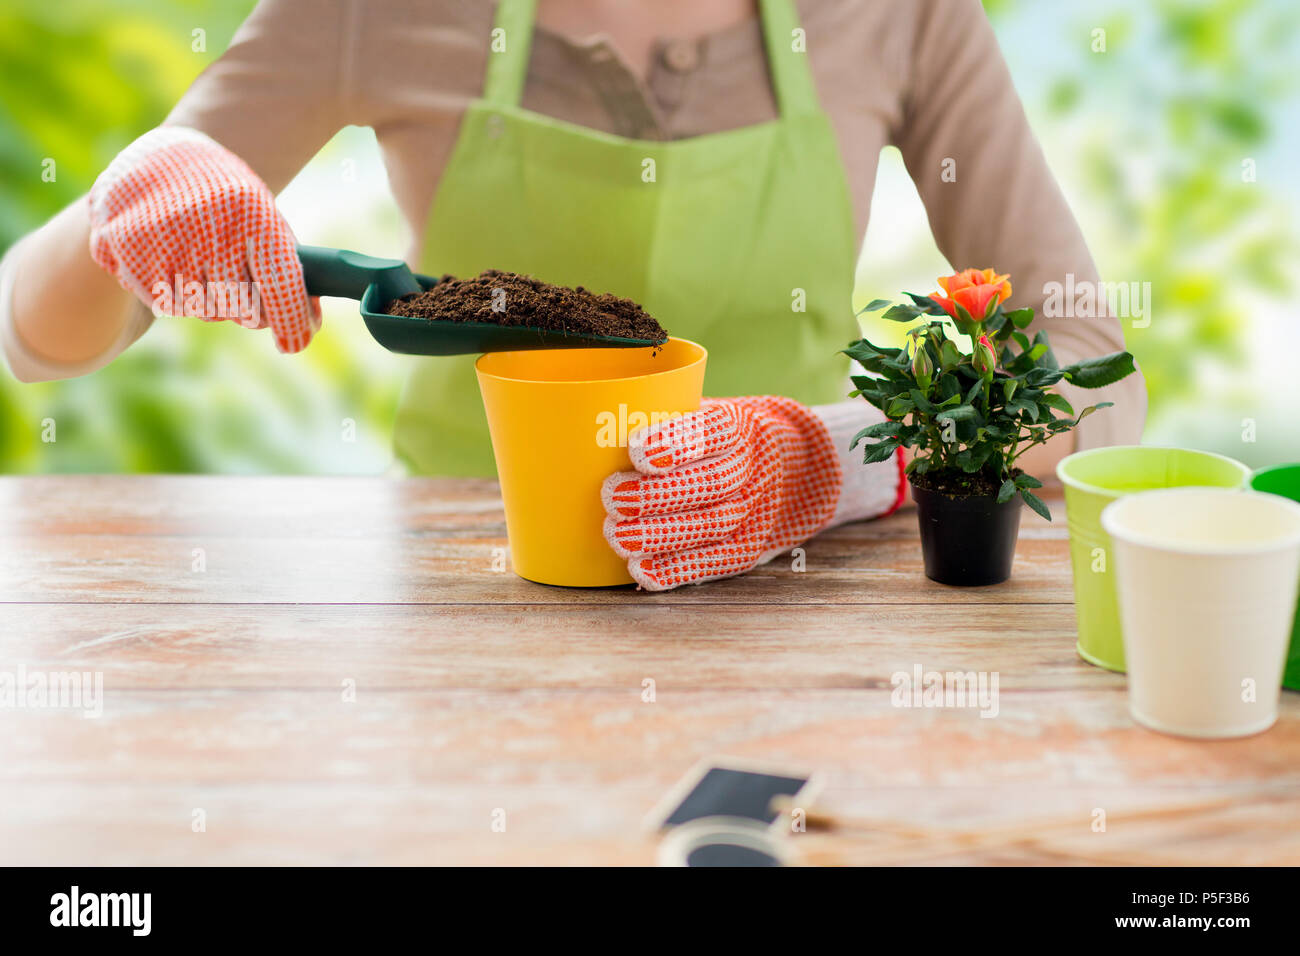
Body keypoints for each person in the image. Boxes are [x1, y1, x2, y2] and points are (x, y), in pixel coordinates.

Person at [0, 0, 1144, 591]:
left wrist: (831, 458)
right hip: (470, 601)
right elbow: (34, 337)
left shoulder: (897, 16)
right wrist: (125, 201)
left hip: (797, 597)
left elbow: (1094, 372)